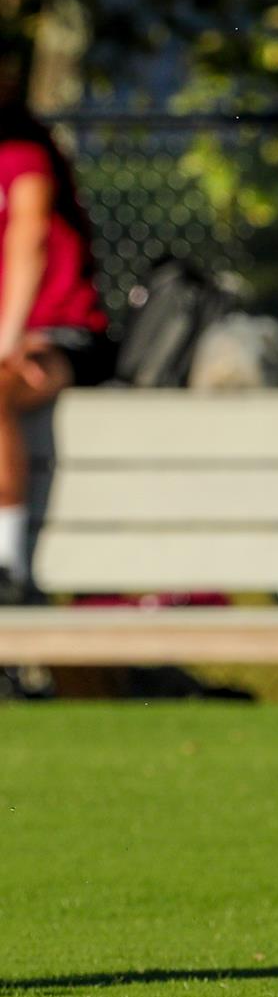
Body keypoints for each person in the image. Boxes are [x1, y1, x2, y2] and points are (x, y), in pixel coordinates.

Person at [0, 57, 114, 602]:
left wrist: (6, 336)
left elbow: (30, 239)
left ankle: (7, 568)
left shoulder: (22, 149)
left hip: (60, 333)